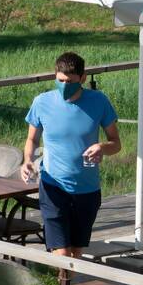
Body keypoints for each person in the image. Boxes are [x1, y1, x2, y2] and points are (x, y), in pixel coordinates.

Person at [21, 52, 122, 258]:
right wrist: (28, 160)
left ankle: (66, 280)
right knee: (62, 253)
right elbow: (32, 139)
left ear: (83, 78)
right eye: (60, 80)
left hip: (87, 188)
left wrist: (102, 147)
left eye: (70, 81)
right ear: (55, 76)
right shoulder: (42, 102)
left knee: (76, 252)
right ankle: (61, 280)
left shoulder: (99, 101)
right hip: (52, 185)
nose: (64, 85)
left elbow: (116, 143)